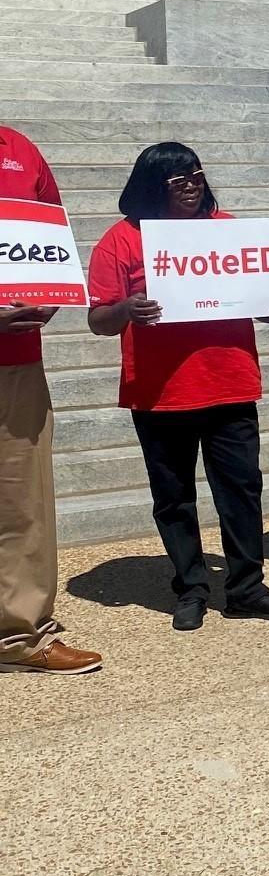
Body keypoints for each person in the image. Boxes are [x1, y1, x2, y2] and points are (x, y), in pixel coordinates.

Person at [87, 144, 269, 630]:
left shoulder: (230, 231)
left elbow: (263, 298)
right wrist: (127, 310)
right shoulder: (121, 240)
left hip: (230, 383)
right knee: (173, 496)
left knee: (242, 491)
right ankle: (190, 588)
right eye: (176, 179)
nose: (191, 185)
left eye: (196, 175)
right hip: (161, 391)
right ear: (149, 186)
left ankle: (247, 587)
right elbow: (98, 319)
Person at [0, 123, 101, 675]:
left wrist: (49, 298)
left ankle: (19, 634)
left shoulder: (20, 151)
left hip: (14, 364)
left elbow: (49, 247)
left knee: (21, 504)